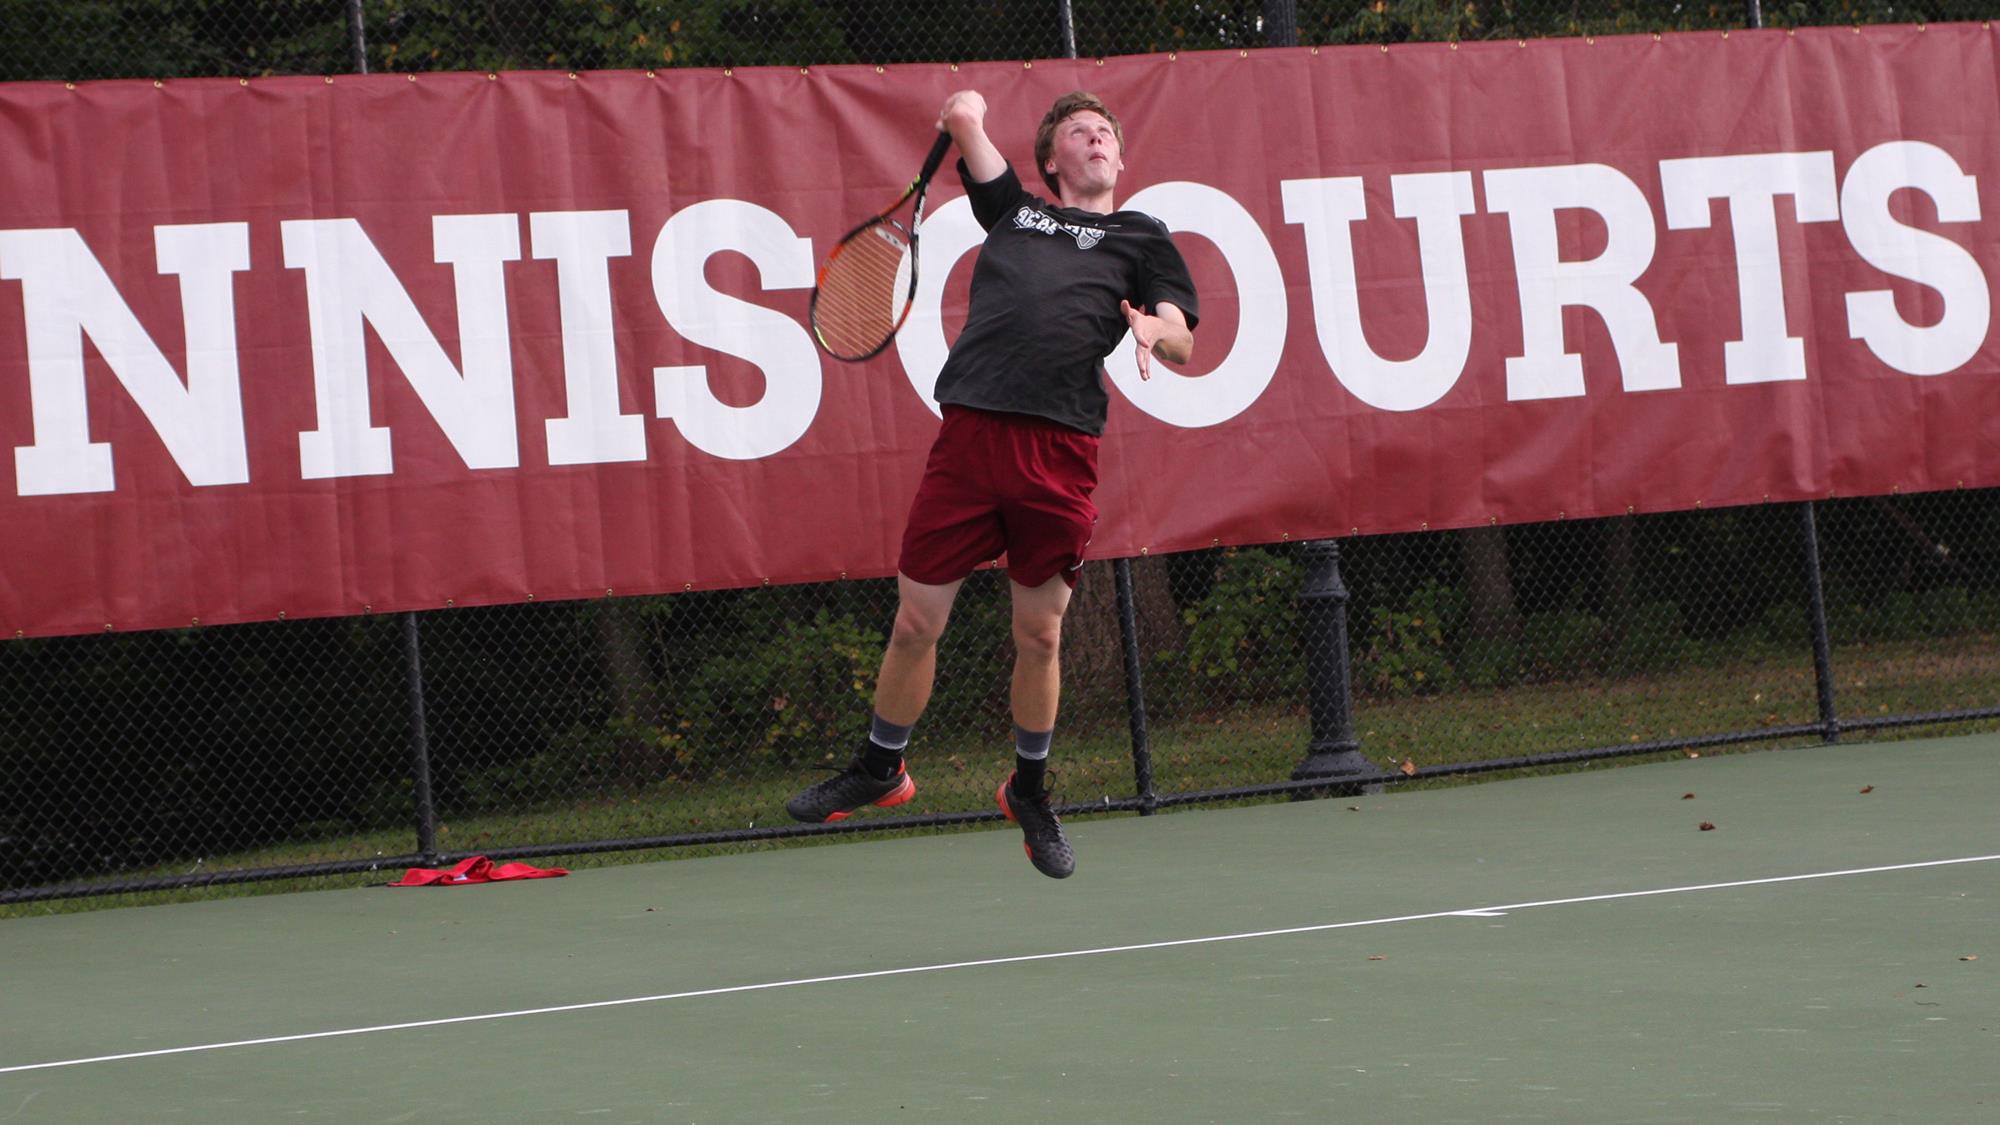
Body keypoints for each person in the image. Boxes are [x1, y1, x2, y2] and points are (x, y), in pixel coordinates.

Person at [786, 89, 1198, 879]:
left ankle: (1030, 790)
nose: (1097, 138)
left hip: (1061, 448)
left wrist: (1153, 327)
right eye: (1080, 131)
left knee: (1040, 633)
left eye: (1107, 131)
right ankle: (881, 767)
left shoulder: (1141, 237)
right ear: (1051, 158)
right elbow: (969, 128)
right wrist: (964, 111)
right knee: (915, 621)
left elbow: (1179, 332)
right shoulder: (1015, 212)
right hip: (972, 434)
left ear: (1121, 157)